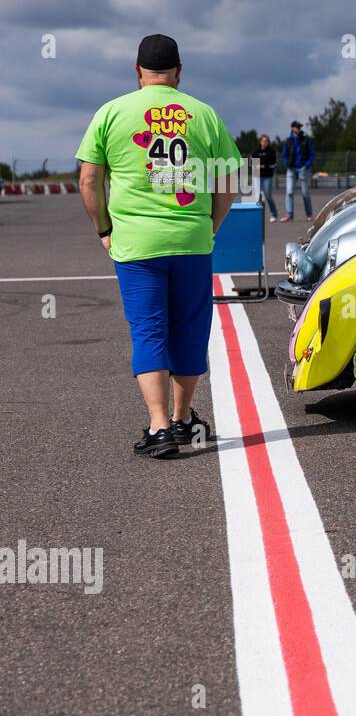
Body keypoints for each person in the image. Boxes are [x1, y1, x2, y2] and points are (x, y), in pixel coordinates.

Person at [76, 33, 239, 458]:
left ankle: (159, 427)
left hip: (136, 244)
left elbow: (89, 180)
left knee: (148, 328)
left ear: (137, 70)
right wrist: (210, 226)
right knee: (189, 327)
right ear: (179, 71)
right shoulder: (203, 114)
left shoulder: (111, 112)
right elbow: (228, 182)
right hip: (191, 239)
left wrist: (104, 229)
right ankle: (185, 420)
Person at [281, 120, 314, 222]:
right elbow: (284, 155)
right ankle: (289, 214)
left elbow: (311, 153)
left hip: (302, 168)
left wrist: (307, 165)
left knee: (305, 193)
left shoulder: (306, 139)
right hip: (291, 169)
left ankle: (309, 214)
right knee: (289, 192)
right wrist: (287, 164)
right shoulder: (288, 141)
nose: (298, 129)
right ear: (292, 128)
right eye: (296, 127)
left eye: (299, 127)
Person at [254, 133, 279, 219]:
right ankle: (259, 215)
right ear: (260, 142)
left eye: (267, 141)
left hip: (267, 176)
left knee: (268, 195)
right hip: (257, 176)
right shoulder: (256, 152)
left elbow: (274, 164)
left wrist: (265, 166)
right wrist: (257, 166)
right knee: (258, 196)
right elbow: (252, 163)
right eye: (264, 141)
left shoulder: (271, 152)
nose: (265, 142)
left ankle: (273, 213)